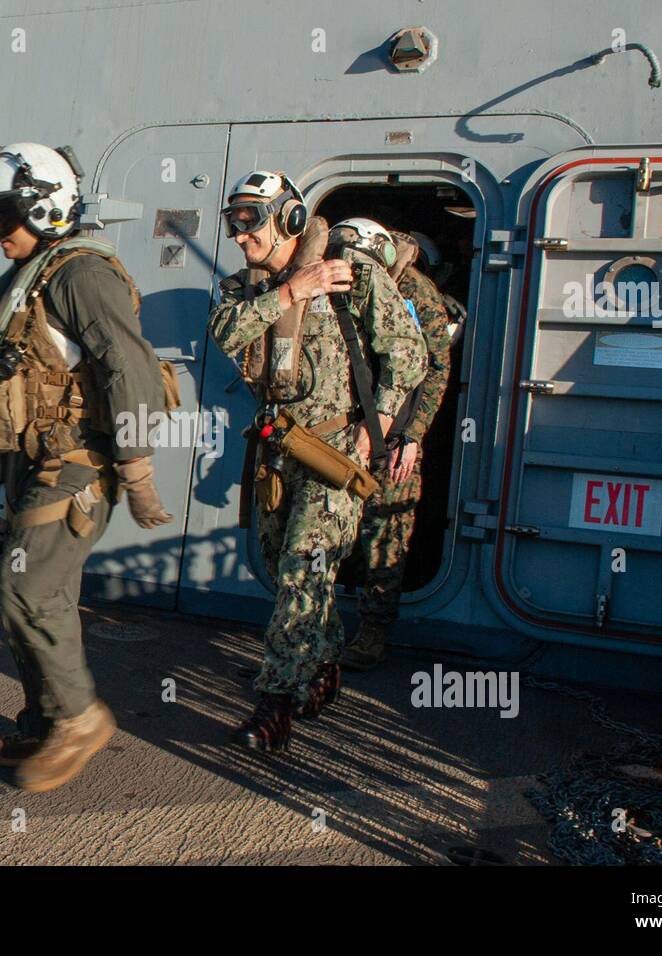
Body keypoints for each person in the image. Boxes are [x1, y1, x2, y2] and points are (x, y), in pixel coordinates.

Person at [0, 142, 173, 791]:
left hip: (78, 466)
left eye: (6, 217)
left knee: (28, 592)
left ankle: (80, 719)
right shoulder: (35, 274)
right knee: (26, 595)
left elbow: (130, 367)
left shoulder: (82, 275)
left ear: (47, 208)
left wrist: (137, 472)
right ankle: (45, 721)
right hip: (33, 465)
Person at [207, 172, 427, 752]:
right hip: (279, 454)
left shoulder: (350, 273)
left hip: (335, 455)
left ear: (290, 219)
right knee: (290, 570)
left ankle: (272, 703)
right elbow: (225, 333)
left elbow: (408, 355)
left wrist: (375, 431)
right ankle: (324, 664)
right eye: (234, 220)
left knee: (304, 572)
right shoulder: (248, 288)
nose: (239, 233)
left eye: (251, 219)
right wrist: (292, 290)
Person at [343, 230, 454, 670]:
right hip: (347, 427)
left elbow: (438, 364)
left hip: (396, 434)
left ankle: (372, 631)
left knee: (384, 538)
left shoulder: (416, 292)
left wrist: (413, 434)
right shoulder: (345, 278)